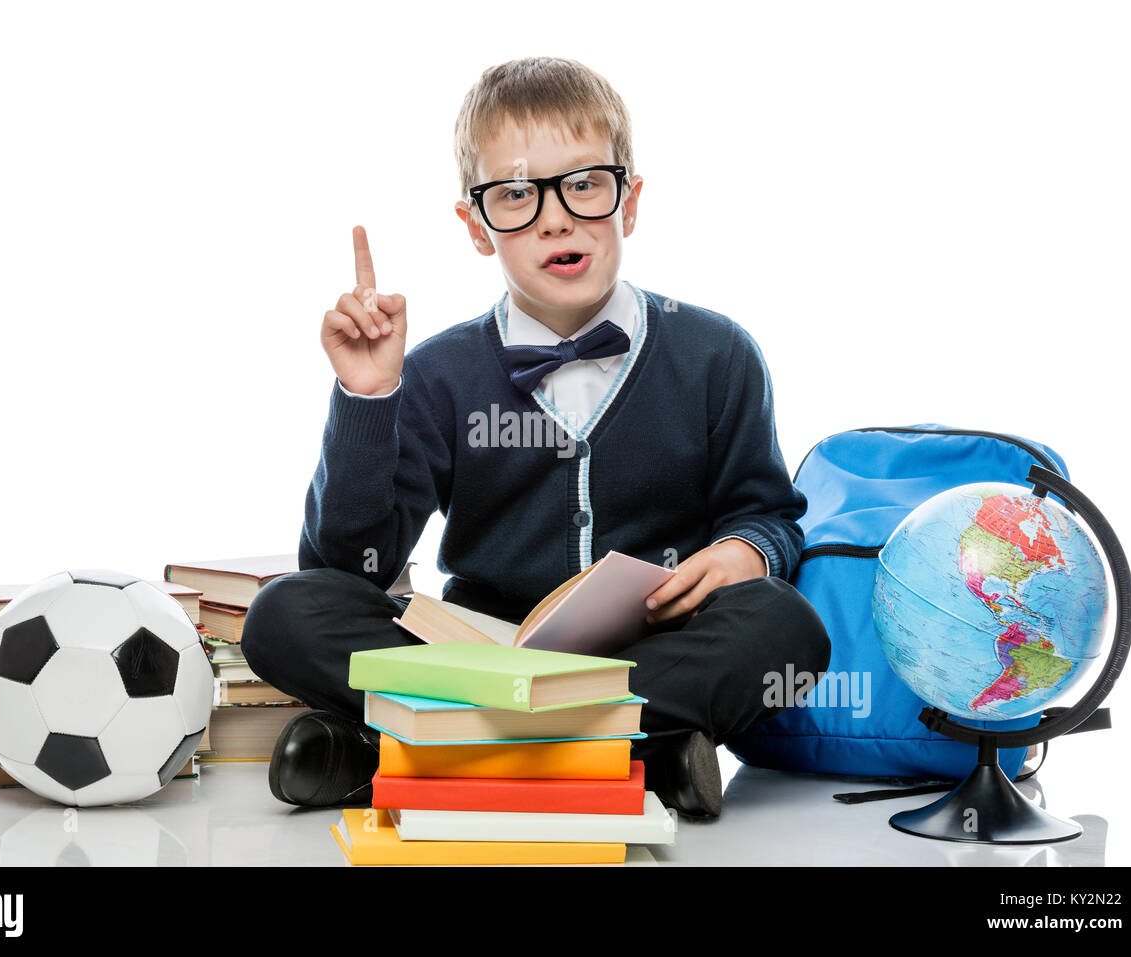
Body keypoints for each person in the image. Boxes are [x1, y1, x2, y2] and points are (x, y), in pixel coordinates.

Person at [241, 56, 830, 818]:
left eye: (584, 183)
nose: (555, 217)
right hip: (479, 655)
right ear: (477, 227)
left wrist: (747, 551)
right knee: (286, 611)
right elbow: (347, 567)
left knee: (787, 626)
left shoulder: (716, 354)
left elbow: (769, 516)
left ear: (631, 200)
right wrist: (369, 395)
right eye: (516, 194)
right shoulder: (438, 375)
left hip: (642, 652)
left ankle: (433, 756)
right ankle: (627, 757)